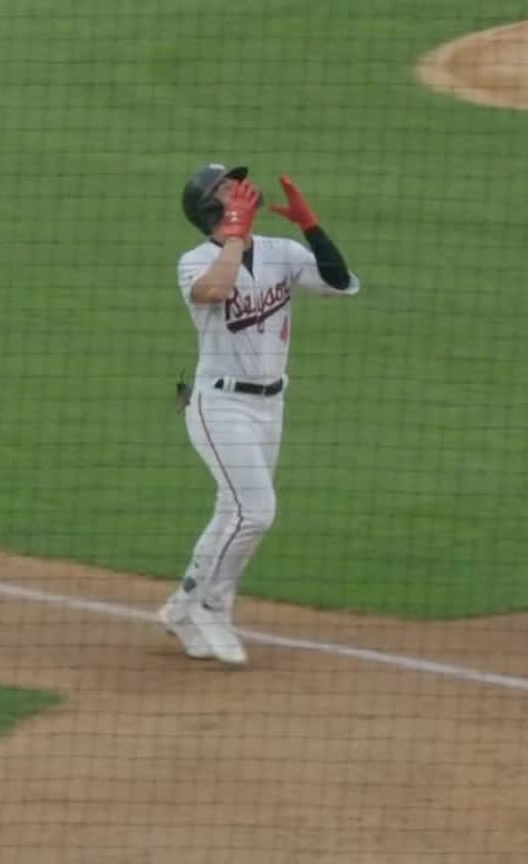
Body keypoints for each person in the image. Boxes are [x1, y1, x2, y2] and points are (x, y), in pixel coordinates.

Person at [158, 163, 362, 666]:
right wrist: (233, 237)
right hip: (218, 404)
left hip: (271, 405)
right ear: (212, 207)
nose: (241, 189)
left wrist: (310, 225)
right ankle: (206, 606)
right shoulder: (195, 261)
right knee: (257, 511)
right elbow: (216, 291)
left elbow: (340, 282)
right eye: (228, 187)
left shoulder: (280, 252)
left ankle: (187, 606)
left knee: (234, 511)